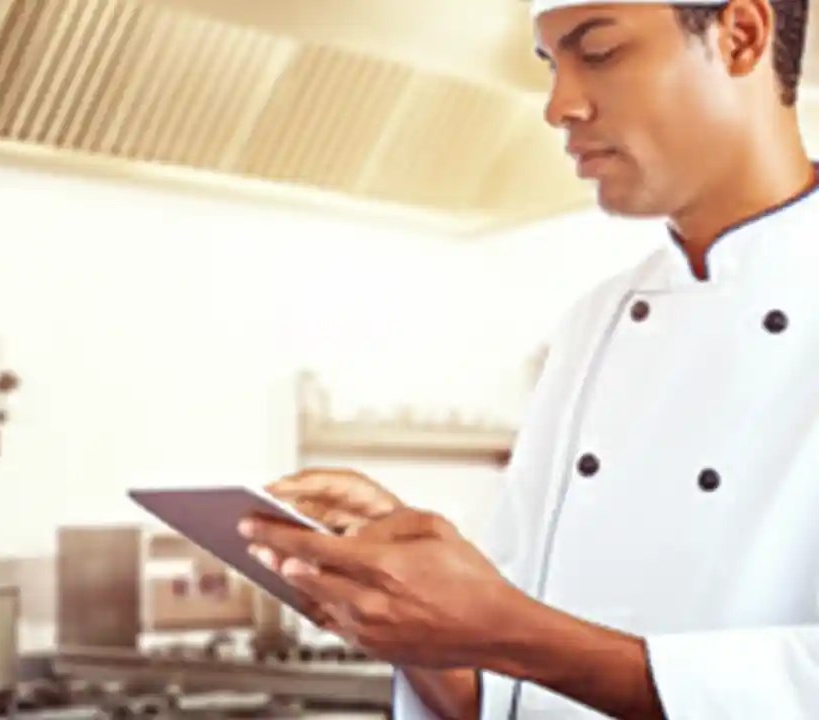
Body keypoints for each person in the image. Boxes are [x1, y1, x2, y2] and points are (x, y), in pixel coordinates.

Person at [236, 0, 819, 717]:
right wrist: (409, 607)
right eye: (550, 67)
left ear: (740, 36)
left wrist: (511, 631)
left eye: (598, 52)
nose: (559, 107)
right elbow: (500, 696)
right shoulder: (592, 326)